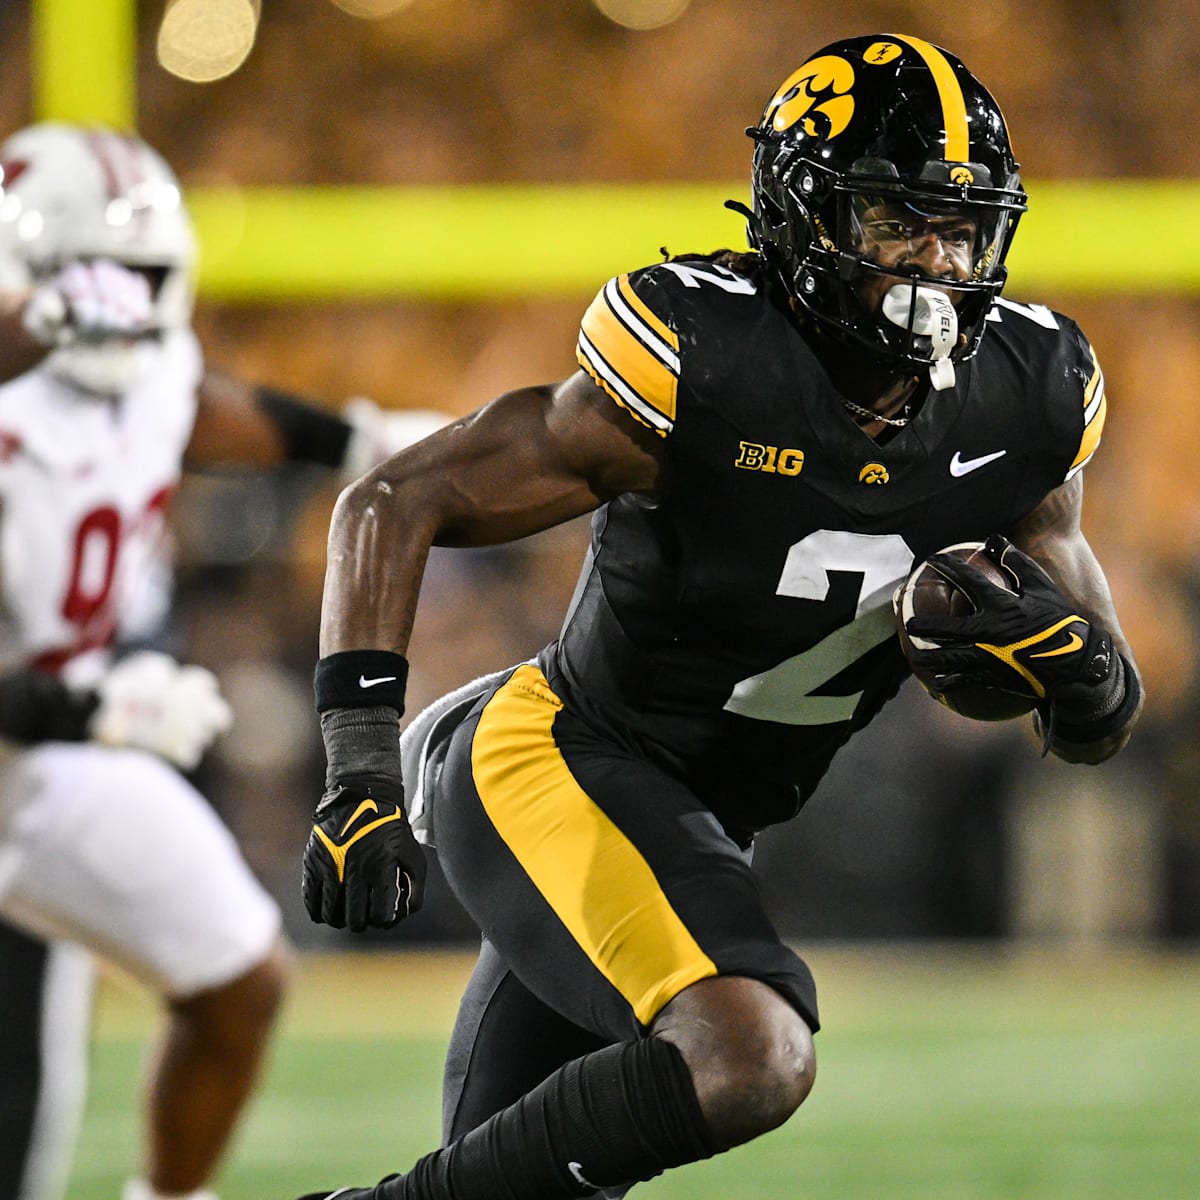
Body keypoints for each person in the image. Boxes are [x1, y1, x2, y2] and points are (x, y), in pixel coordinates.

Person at [298, 33, 1143, 1200]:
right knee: (751, 1050)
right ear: (802, 214)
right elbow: (393, 500)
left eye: (962, 227)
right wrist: (356, 770)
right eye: (896, 221)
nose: (937, 261)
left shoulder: (1027, 398)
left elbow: (1098, 722)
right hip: (561, 759)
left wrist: (1079, 672)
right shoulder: (712, 359)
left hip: (700, 816)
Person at [0, 122, 445, 1200]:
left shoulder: (151, 372)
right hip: (53, 724)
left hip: (44, 756)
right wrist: (95, 712)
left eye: (140, 279)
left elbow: (200, 409)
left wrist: (360, 440)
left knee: (237, 974)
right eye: (87, 279)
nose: (117, 309)